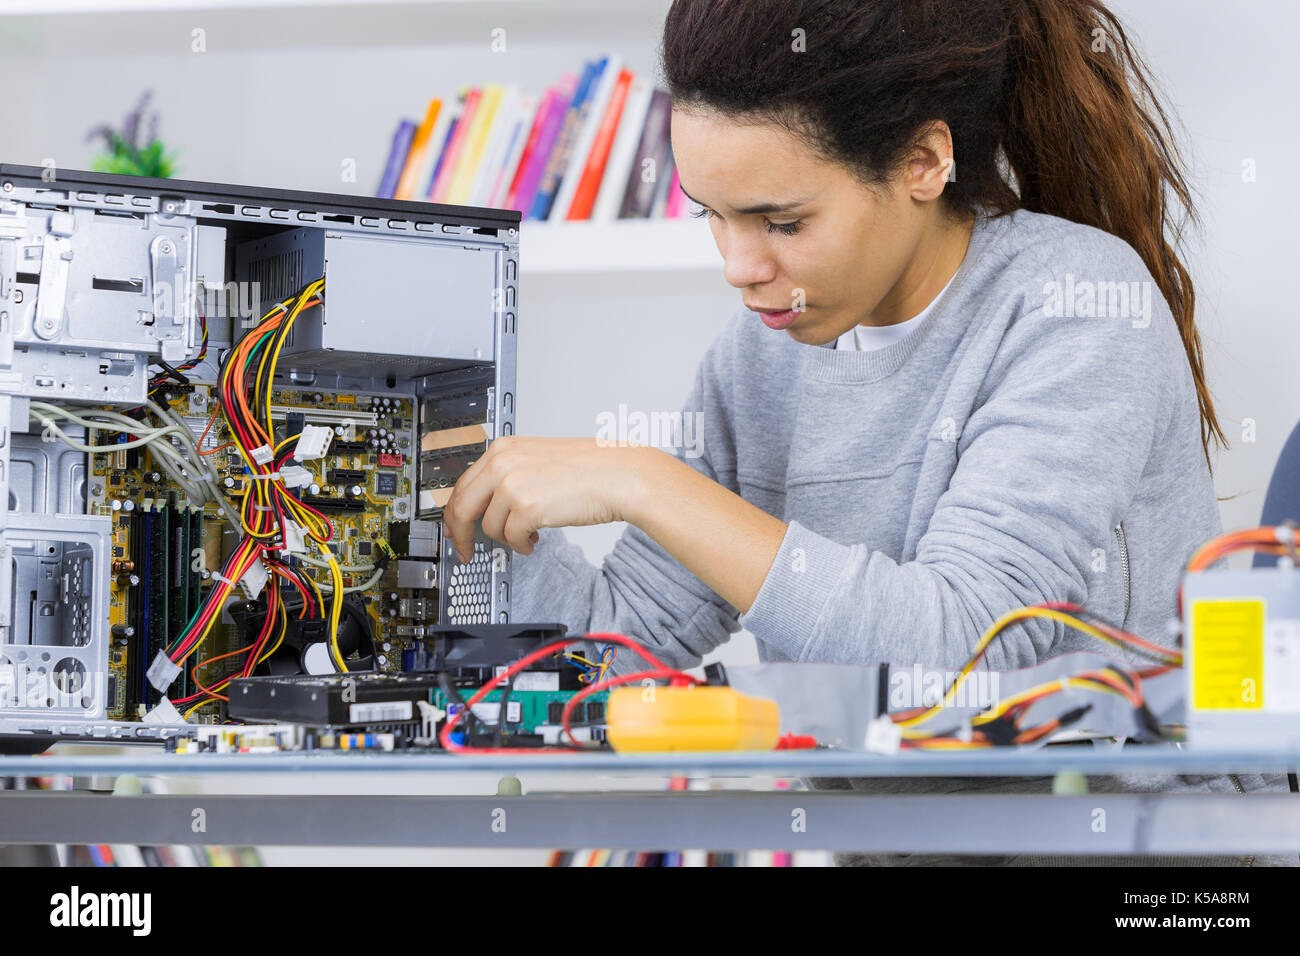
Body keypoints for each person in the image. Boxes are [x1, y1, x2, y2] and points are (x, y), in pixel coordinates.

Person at [441, 0, 1293, 866]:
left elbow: (962, 660)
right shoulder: (762, 355)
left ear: (923, 162)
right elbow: (615, 654)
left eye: (782, 222)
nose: (740, 269)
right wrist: (446, 495)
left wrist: (647, 483)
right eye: (712, 214)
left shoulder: (1076, 306)